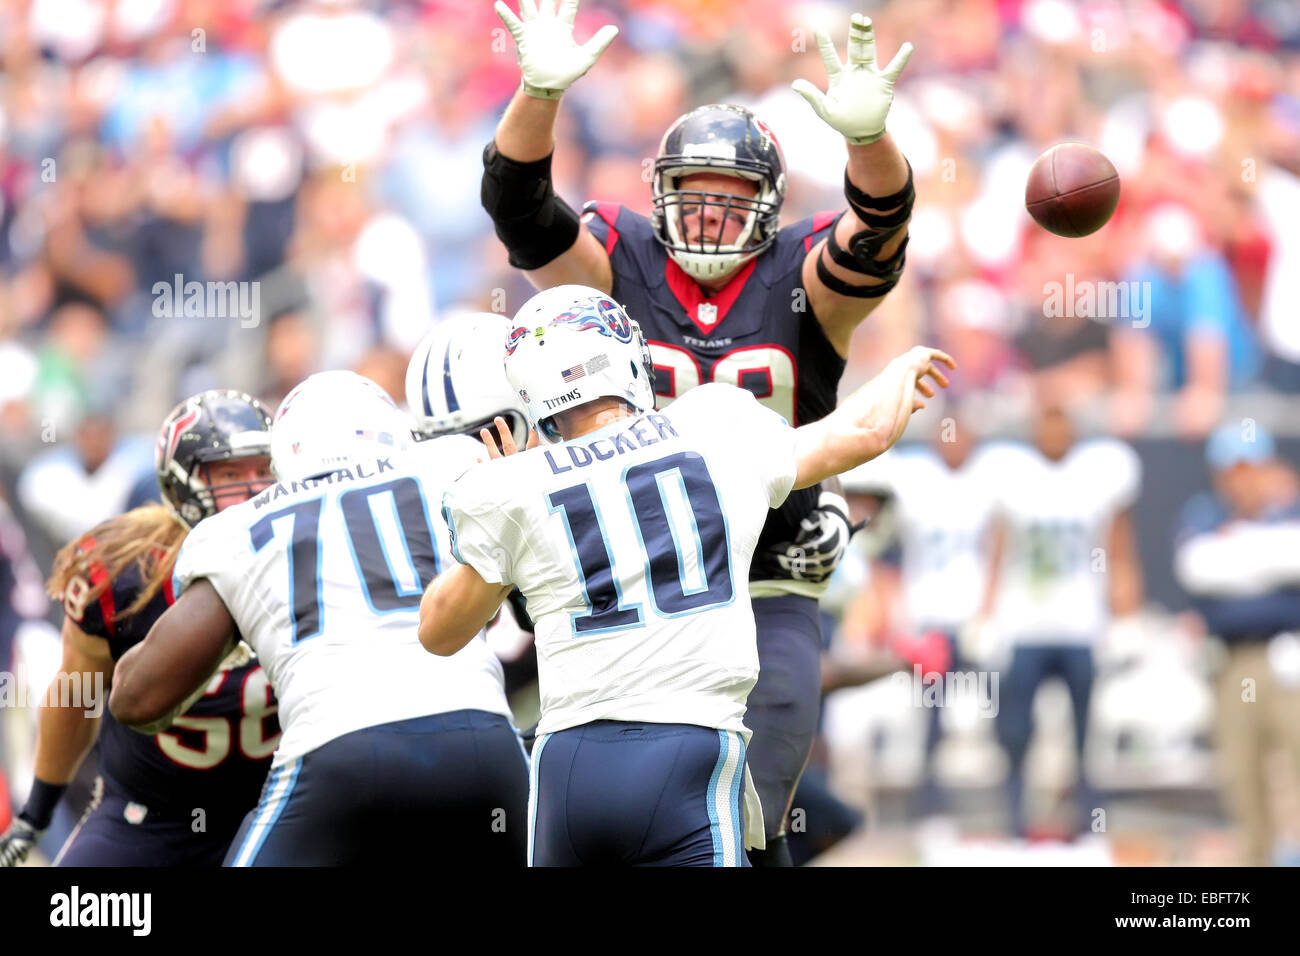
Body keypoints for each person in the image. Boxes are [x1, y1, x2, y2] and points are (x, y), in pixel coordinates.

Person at [486, 0, 916, 865]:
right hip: (640, 580)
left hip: (768, 577)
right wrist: (538, 95)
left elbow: (877, 231)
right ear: (660, 196)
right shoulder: (619, 260)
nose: (711, 216)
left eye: (733, 198)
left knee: (754, 819)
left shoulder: (800, 276)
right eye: (693, 196)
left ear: (770, 204)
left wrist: (870, 144)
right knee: (632, 814)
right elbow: (518, 206)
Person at [418, 285, 953, 866]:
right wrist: (902, 370)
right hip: (687, 749)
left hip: (569, 767)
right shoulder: (713, 424)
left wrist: (503, 536)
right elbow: (863, 434)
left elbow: (438, 634)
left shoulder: (512, 486)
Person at [109, 371, 529, 867]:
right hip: (482, 740)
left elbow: (138, 699)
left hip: (339, 756)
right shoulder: (456, 465)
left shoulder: (236, 530)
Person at [0, 391, 281, 867]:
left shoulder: (314, 553)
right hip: (148, 818)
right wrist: (37, 812)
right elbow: (77, 697)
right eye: (231, 475)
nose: (255, 489)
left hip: (279, 811)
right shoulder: (123, 573)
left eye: (263, 469)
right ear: (181, 483)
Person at [978, 406, 1144, 839]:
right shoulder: (1014, 477)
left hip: (1079, 624)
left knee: (1086, 735)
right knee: (1016, 732)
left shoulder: (1097, 476)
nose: (1053, 433)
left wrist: (1126, 616)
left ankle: (1087, 823)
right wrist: (986, 615)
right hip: (1025, 626)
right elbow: (997, 551)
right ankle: (1016, 822)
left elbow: (1119, 551)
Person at [840, 413, 999, 820]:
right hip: (924, 620)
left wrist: (987, 611)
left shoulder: (988, 480)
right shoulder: (913, 480)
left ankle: (972, 808)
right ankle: (923, 803)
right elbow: (882, 544)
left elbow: (999, 545)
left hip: (969, 620)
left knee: (977, 713)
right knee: (922, 718)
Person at [1174, 421, 1300, 865]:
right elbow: (1198, 570)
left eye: (1249, 470)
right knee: (1243, 782)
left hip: (1288, 660)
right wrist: (1267, 560)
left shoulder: (1288, 511)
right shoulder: (1203, 515)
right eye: (1232, 472)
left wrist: (1242, 548)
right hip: (1232, 664)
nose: (1241, 482)